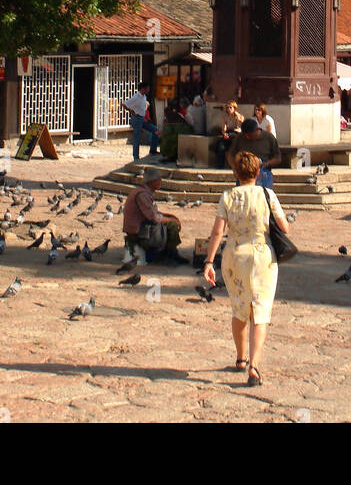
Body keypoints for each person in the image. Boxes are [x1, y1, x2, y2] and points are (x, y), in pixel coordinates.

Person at [202, 149, 289, 387]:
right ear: (258, 171)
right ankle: (254, 366)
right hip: (262, 255)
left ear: (235, 172)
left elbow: (218, 232)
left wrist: (209, 261)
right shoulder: (267, 194)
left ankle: (240, 357)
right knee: (260, 311)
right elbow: (284, 227)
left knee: (239, 308)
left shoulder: (228, 196)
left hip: (235, 255)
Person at [122, 168, 185, 265]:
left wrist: (169, 216)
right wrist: (171, 220)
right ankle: (170, 254)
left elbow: (152, 212)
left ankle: (171, 253)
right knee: (171, 225)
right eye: (159, 179)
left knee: (170, 220)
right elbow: (154, 218)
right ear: (153, 181)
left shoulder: (142, 191)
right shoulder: (142, 195)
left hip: (139, 226)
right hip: (137, 231)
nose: (161, 182)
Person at [227, 118, 281, 188]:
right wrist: (234, 169)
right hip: (244, 172)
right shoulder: (239, 138)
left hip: (263, 170)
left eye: (249, 135)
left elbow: (278, 158)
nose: (247, 137)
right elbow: (230, 155)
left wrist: (267, 163)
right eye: (245, 135)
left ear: (256, 130)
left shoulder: (269, 138)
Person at [122, 82, 161, 162]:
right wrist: (131, 111)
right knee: (137, 137)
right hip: (136, 118)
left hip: (142, 118)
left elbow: (143, 109)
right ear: (143, 88)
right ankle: (136, 157)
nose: (148, 90)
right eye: (147, 88)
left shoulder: (144, 97)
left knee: (155, 130)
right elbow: (124, 104)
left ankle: (153, 150)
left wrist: (147, 118)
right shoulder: (136, 97)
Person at [215, 100, 244, 168]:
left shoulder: (239, 116)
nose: (229, 109)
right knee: (221, 146)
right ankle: (220, 165)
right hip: (228, 133)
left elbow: (240, 127)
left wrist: (237, 117)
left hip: (236, 134)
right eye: (227, 107)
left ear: (234, 108)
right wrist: (224, 134)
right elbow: (223, 129)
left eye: (230, 107)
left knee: (235, 146)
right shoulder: (225, 117)